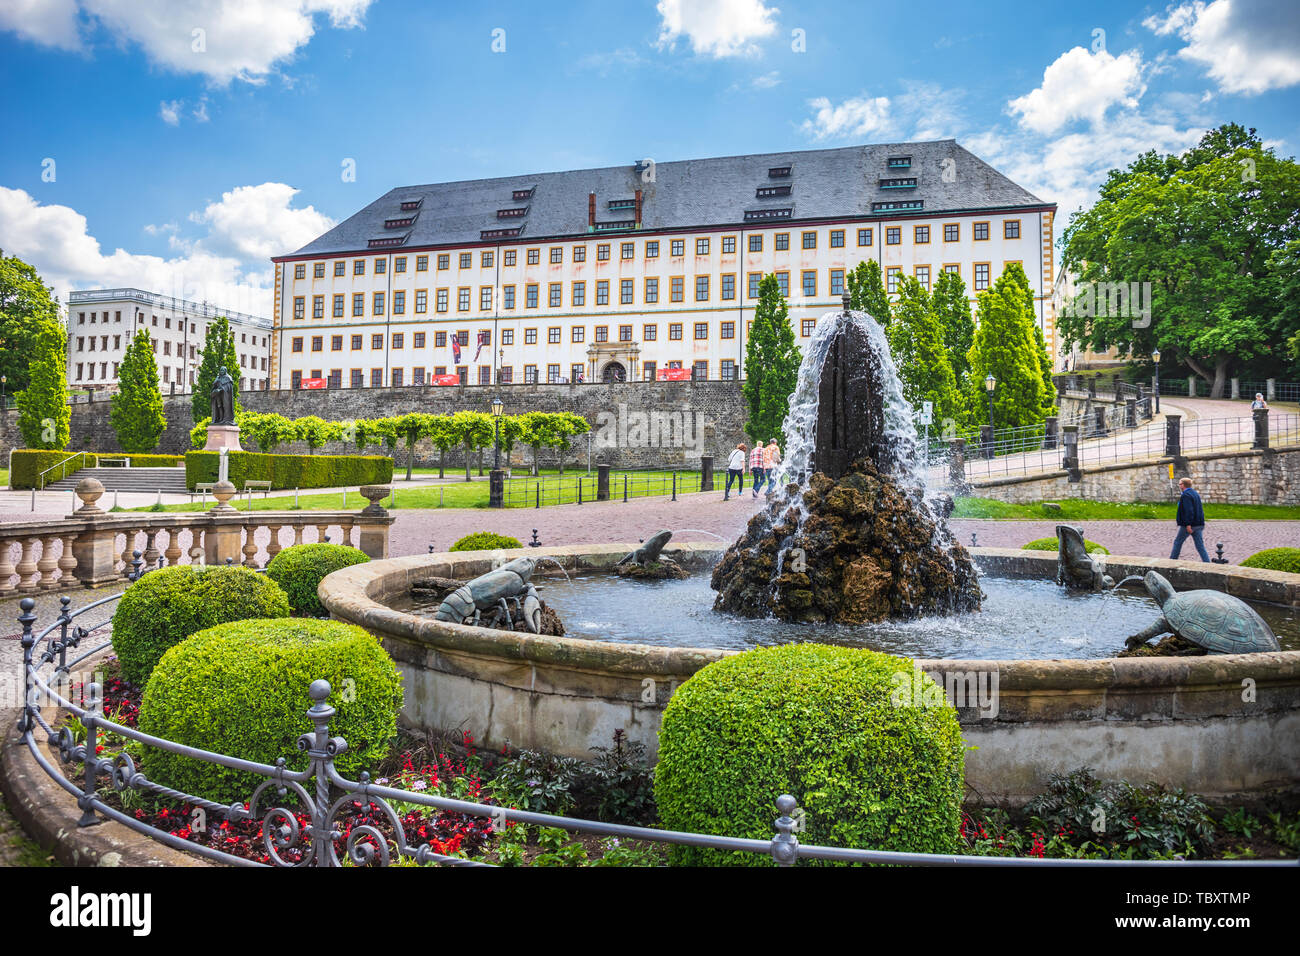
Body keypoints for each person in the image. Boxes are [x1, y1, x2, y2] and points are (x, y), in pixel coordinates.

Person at [1170, 476, 1209, 562]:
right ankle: (1207, 563)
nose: (1179, 486)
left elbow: (1189, 511)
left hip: (1190, 525)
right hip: (1199, 524)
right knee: (1200, 546)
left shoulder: (1186, 495)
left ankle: (1172, 561)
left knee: (1178, 542)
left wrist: (1188, 524)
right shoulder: (1195, 493)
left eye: (1180, 484)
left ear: (1183, 485)